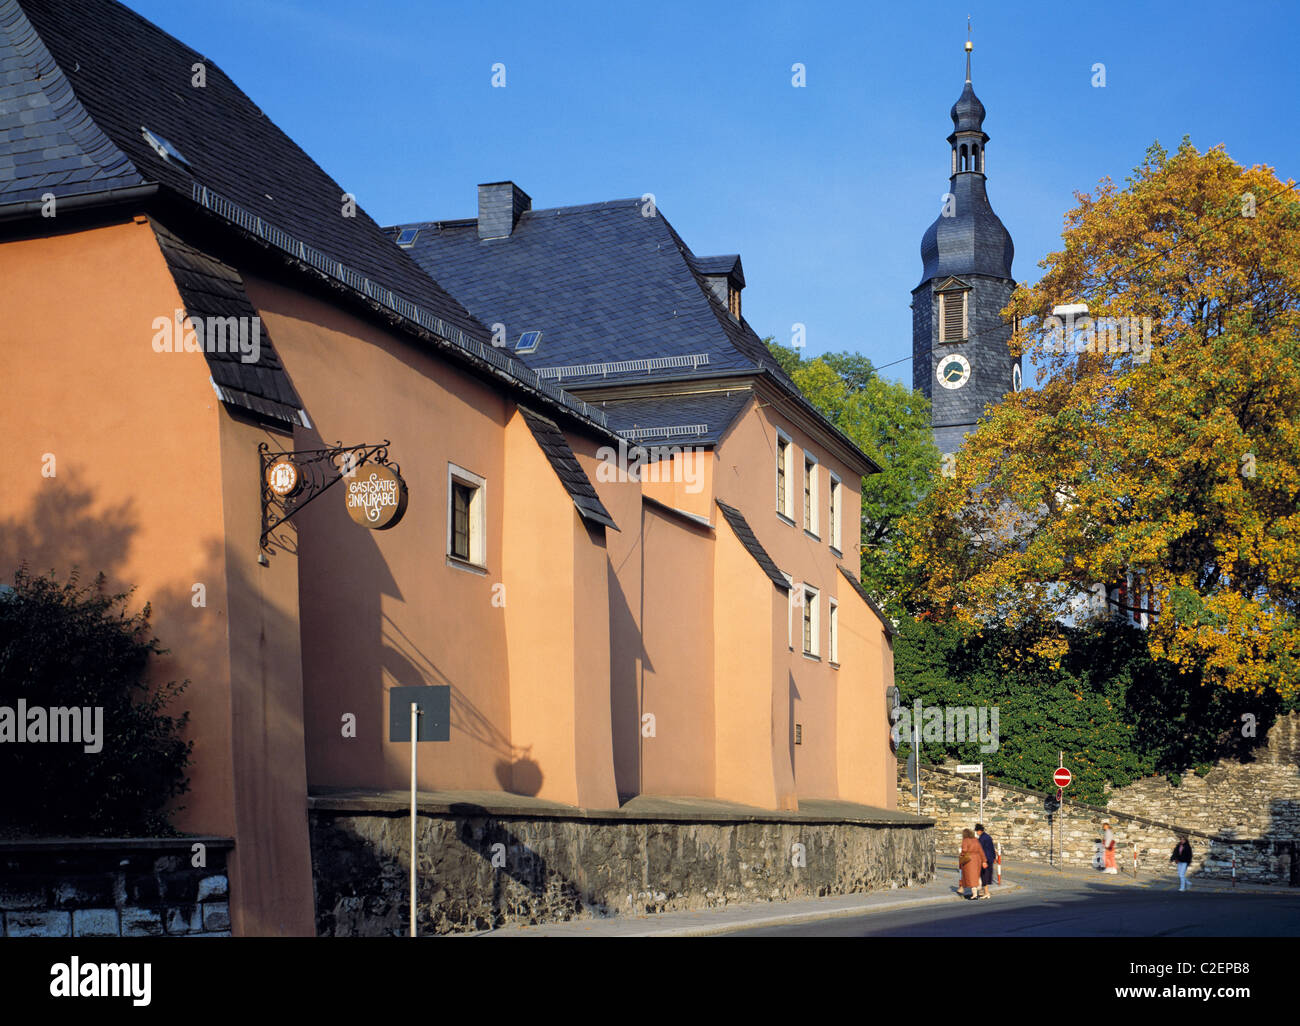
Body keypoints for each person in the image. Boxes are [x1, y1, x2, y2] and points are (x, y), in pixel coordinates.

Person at [959, 828, 986, 900]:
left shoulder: (965, 840)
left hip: (969, 860)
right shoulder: (976, 840)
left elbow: (964, 850)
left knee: (971, 877)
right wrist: (984, 860)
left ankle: (974, 894)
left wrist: (961, 856)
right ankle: (980, 889)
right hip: (977, 859)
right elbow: (981, 851)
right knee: (977, 875)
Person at [975, 823, 997, 898]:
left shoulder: (982, 838)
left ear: (979, 831)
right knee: (986, 876)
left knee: (983, 876)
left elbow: (980, 850)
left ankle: (986, 892)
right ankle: (984, 892)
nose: (976, 833)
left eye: (977, 831)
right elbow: (992, 848)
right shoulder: (988, 837)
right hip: (990, 858)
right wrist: (994, 858)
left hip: (984, 859)